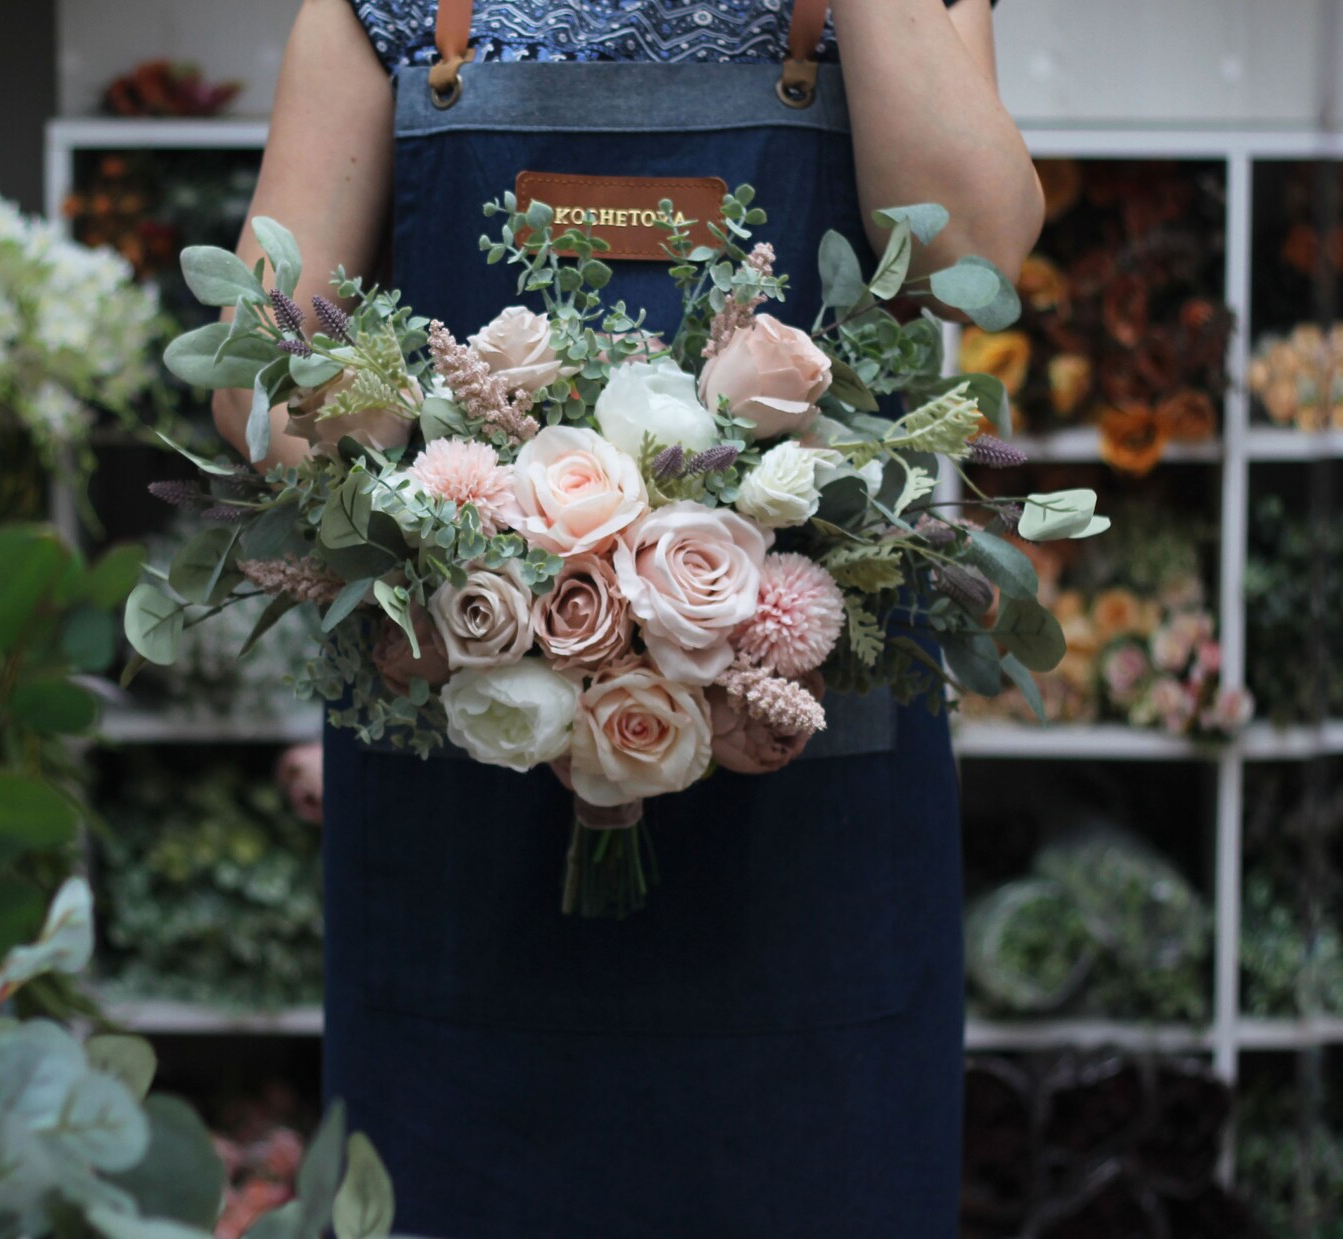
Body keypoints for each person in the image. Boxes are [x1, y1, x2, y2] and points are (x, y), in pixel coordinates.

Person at [213, 2, 1041, 1235]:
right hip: (473, 785)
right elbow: (253, 365)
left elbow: (974, 254)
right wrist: (475, 514)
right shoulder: (381, 12)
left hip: (801, 808)